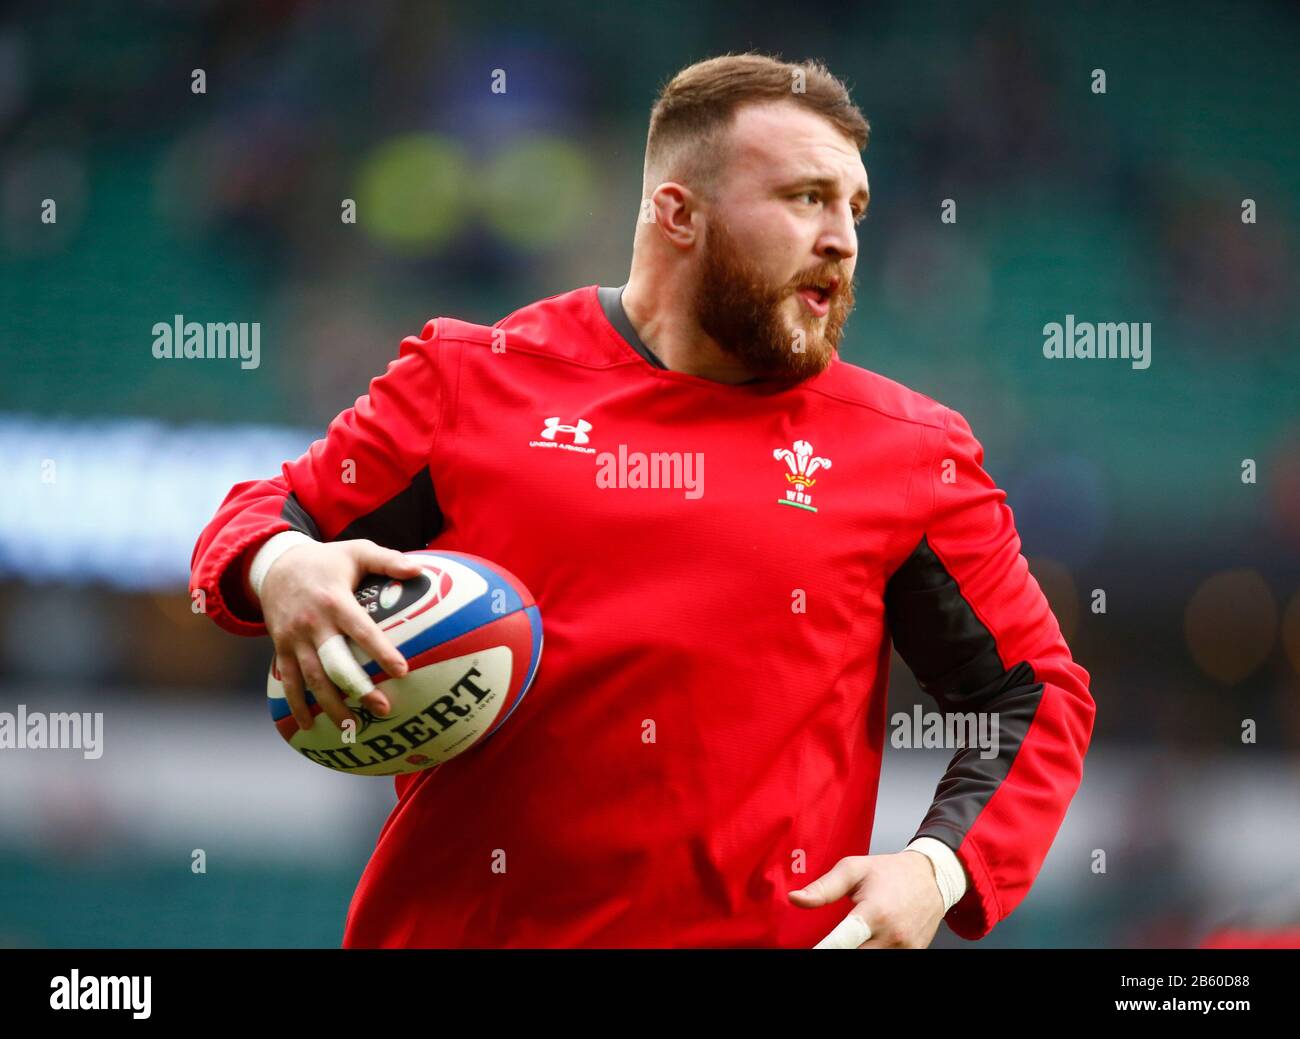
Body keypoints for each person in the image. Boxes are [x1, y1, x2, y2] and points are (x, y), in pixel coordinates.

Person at [190, 52, 1095, 948]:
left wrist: (939, 865)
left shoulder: (909, 452)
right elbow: (262, 517)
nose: (843, 239)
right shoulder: (471, 380)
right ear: (678, 213)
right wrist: (284, 565)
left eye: (853, 208)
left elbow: (1037, 692)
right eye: (805, 198)